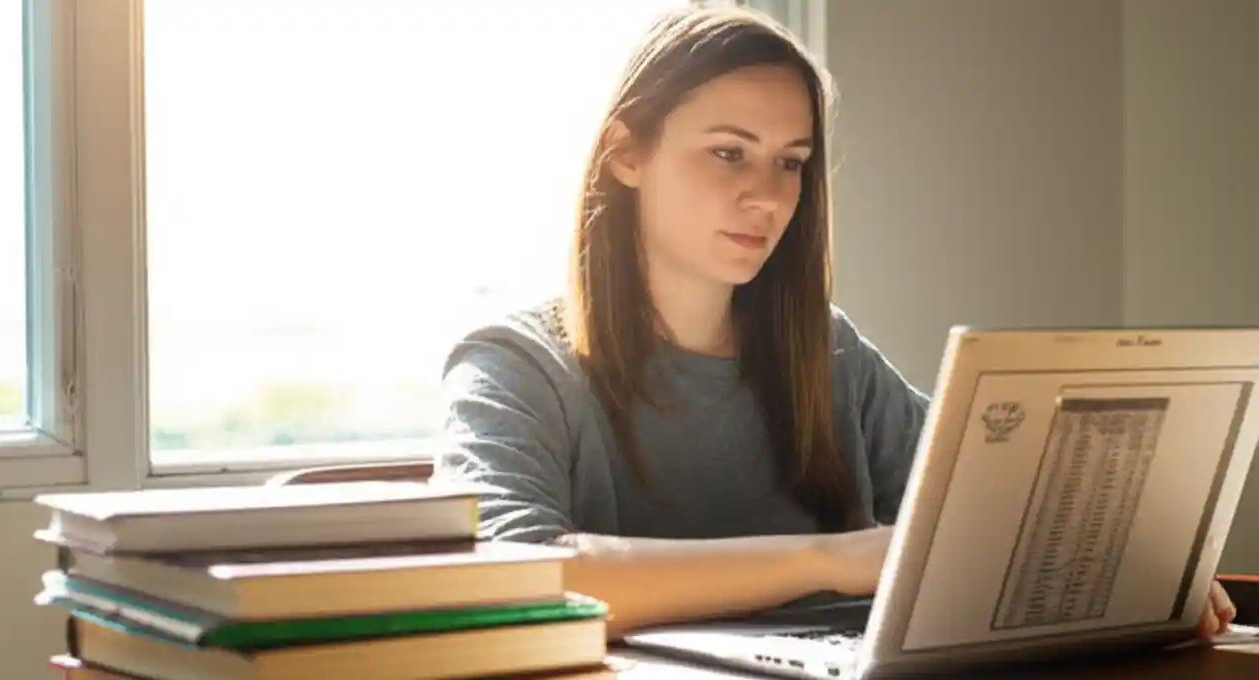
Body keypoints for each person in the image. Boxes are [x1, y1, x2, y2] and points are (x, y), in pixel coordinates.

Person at [434, 5, 1235, 640]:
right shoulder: (515, 365)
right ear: (625, 154)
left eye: (791, 161)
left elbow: (988, 503)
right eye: (728, 152)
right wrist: (834, 559)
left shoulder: (826, 351)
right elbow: (508, 575)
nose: (768, 196)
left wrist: (1137, 570)